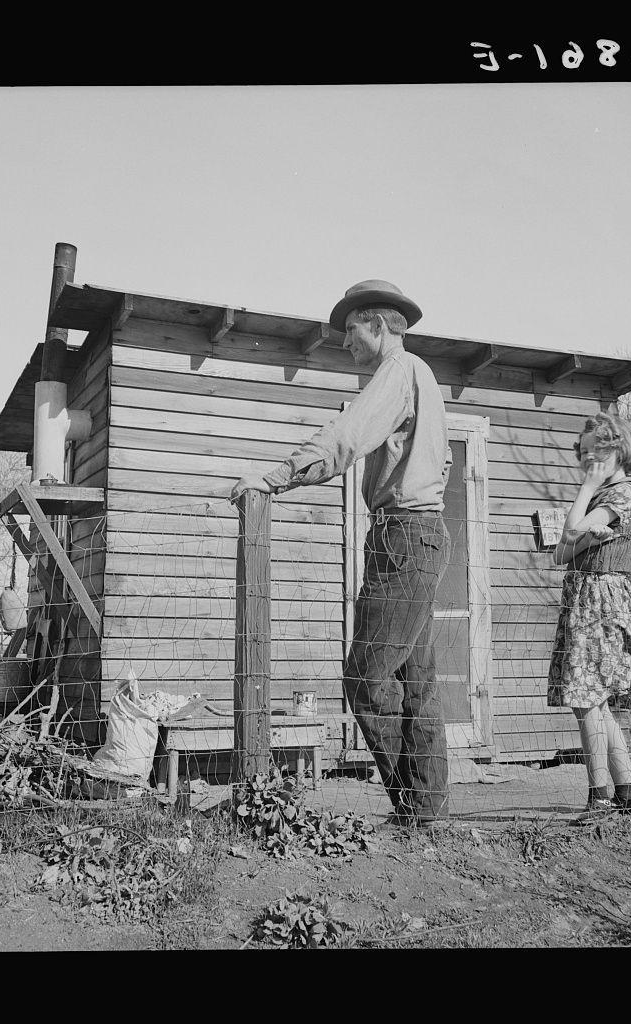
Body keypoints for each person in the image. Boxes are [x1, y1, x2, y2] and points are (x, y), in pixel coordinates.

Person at [230, 280, 453, 828]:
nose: (345, 341)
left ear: (378, 324)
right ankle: (427, 813)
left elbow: (348, 436)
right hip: (420, 533)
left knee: (365, 677)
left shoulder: (397, 371)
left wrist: (277, 476)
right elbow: (443, 460)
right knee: (416, 684)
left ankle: (411, 805)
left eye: (351, 330)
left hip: (404, 536)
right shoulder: (422, 376)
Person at [548, 411, 631, 823]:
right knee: (595, 701)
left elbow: (570, 534)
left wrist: (586, 490)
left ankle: (600, 795)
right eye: (584, 453)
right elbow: (560, 553)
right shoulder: (604, 498)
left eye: (596, 452)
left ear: (618, 451)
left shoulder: (621, 493)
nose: (588, 459)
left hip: (601, 602)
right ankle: (627, 792)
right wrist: (585, 537)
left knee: (587, 698)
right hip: (584, 599)